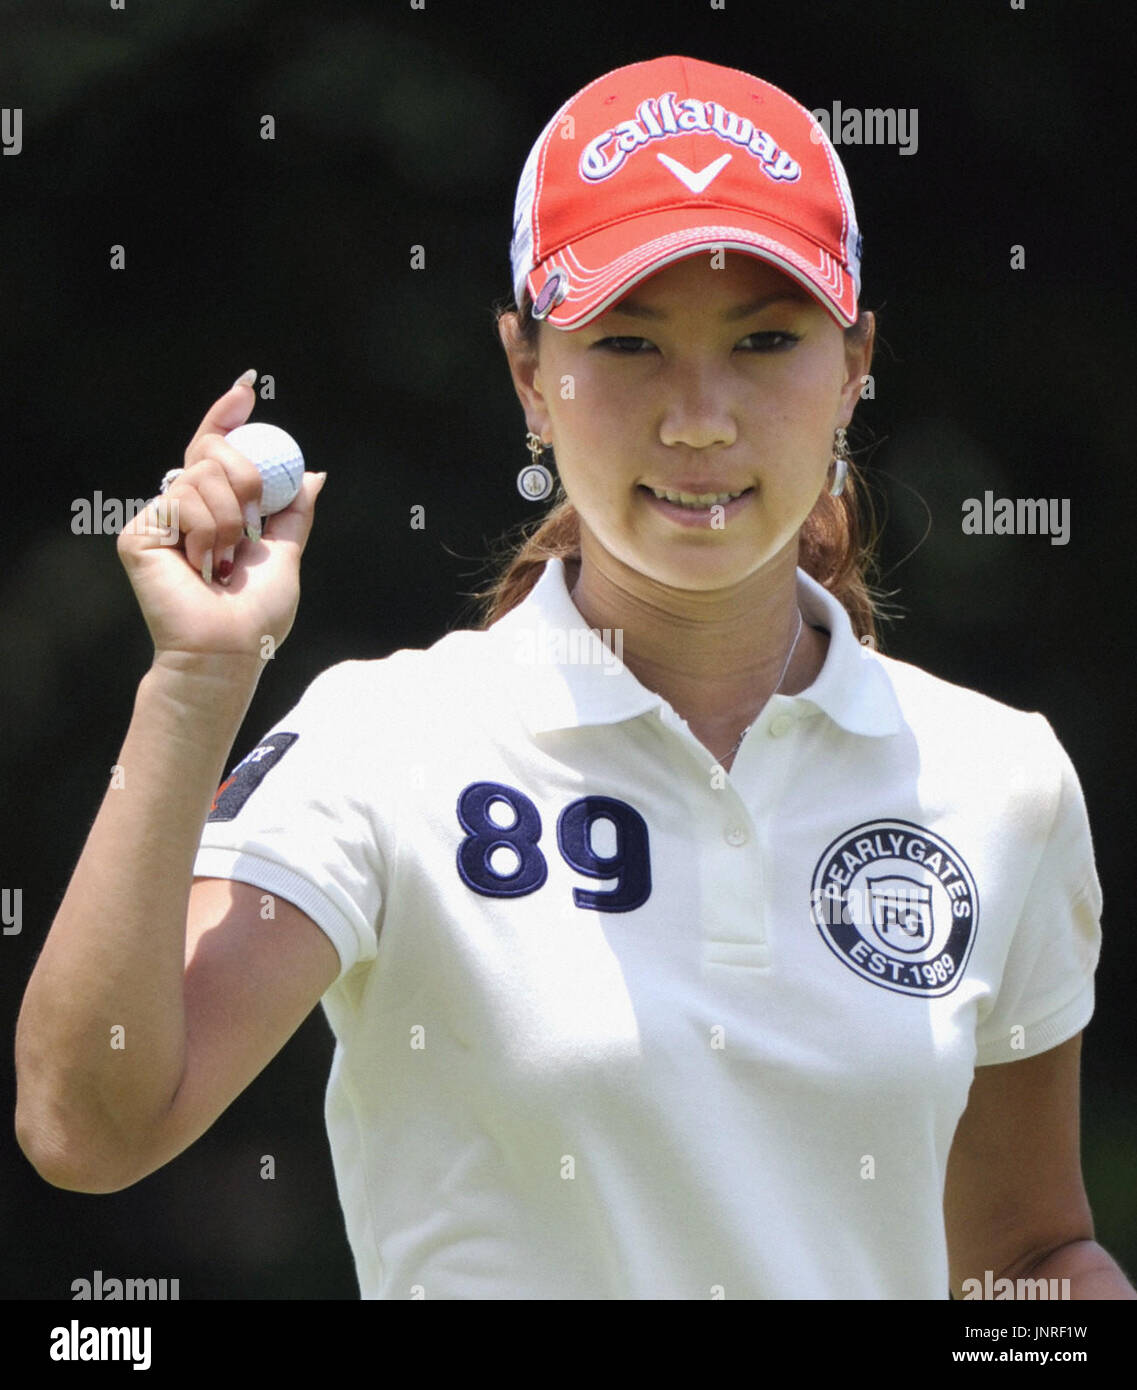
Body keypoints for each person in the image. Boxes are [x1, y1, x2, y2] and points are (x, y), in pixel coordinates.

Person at [14, 54, 1135, 1301]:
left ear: (855, 363)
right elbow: (89, 1127)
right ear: (528, 375)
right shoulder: (390, 744)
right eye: (629, 341)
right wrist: (194, 682)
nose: (699, 417)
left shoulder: (1003, 778)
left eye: (767, 338)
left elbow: (1030, 1259)